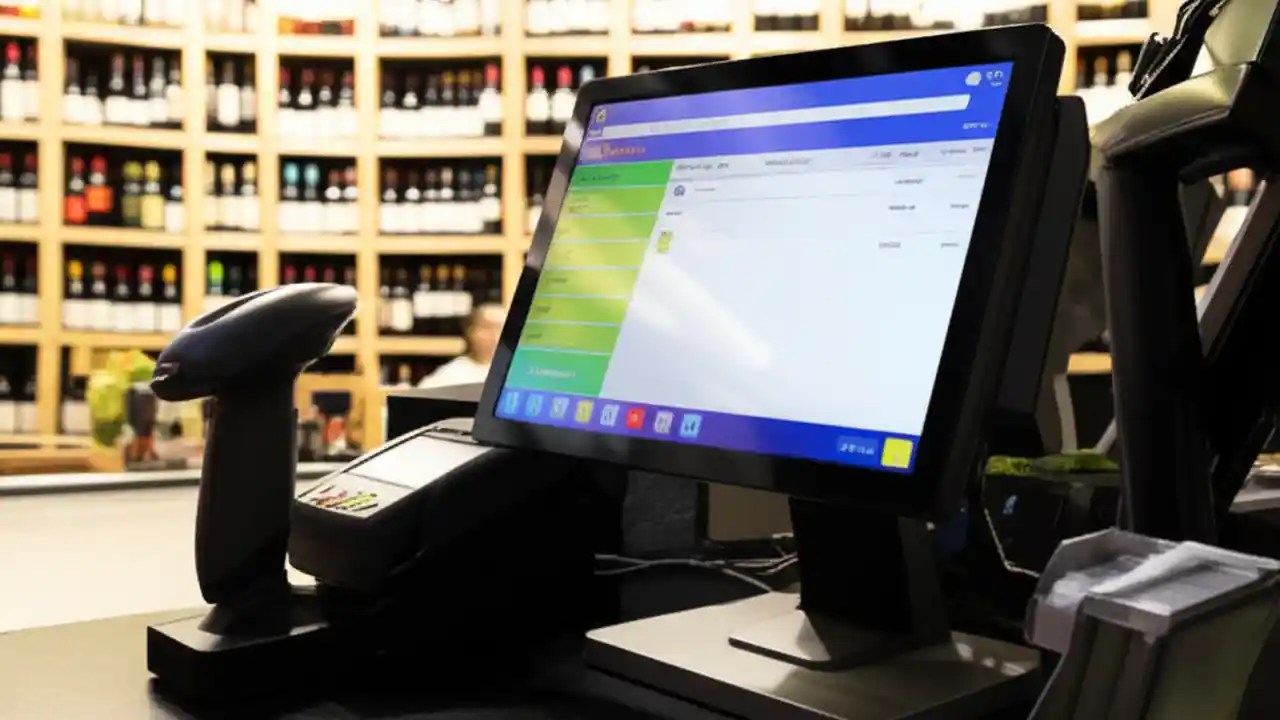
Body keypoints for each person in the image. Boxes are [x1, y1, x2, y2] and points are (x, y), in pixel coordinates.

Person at [418, 303, 507, 388]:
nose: (495, 336)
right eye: (487, 328)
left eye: (501, 328)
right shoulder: (452, 374)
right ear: (470, 332)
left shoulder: (516, 372)